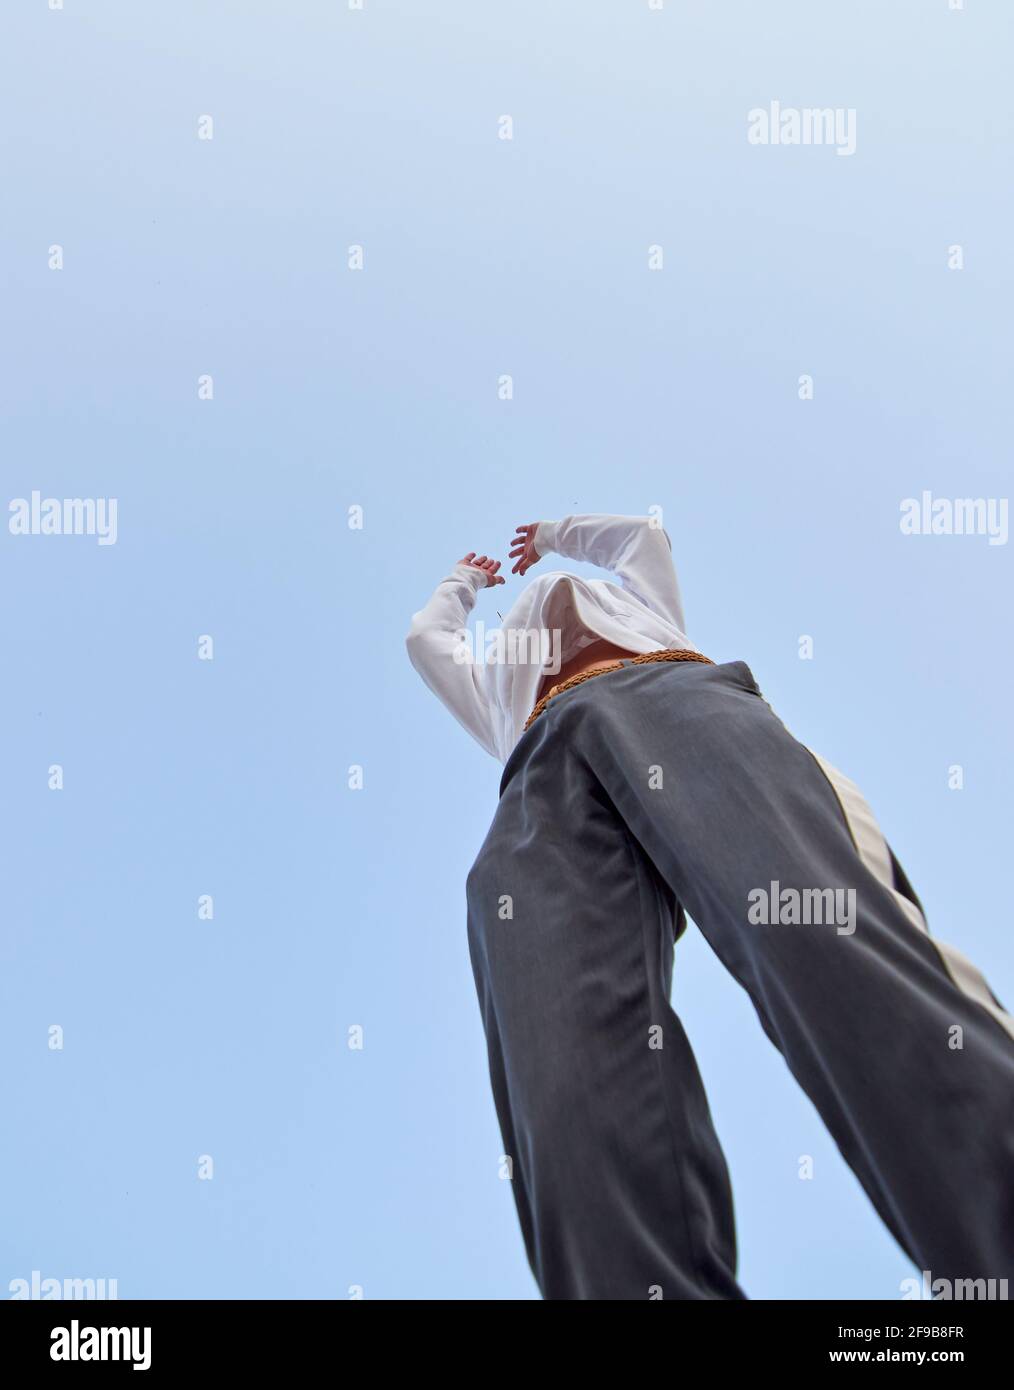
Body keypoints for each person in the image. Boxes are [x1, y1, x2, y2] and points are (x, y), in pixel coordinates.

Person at [406, 513, 1014, 1300]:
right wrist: (464, 584)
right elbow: (429, 642)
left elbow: (639, 542)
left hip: (668, 693)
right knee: (564, 1091)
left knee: (820, 941)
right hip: (536, 774)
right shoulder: (497, 696)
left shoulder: (647, 616)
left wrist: (555, 535)